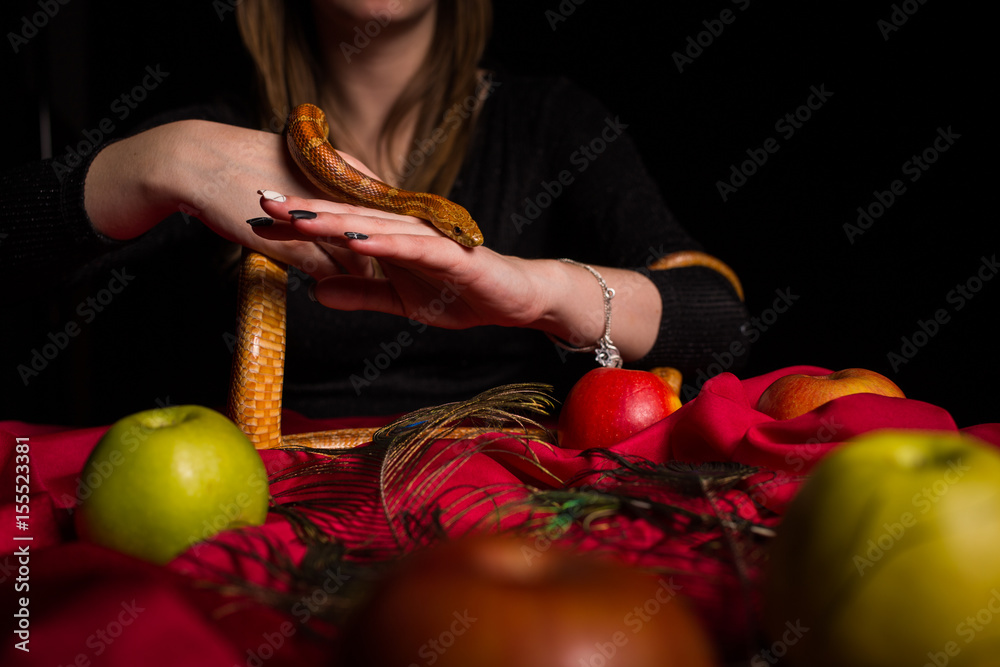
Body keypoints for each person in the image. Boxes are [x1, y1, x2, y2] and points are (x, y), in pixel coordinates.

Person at [0, 0, 747, 422]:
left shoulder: (552, 121)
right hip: (274, 510)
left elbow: (716, 319)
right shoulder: (214, 142)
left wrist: (537, 292)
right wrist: (164, 159)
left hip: (505, 503)